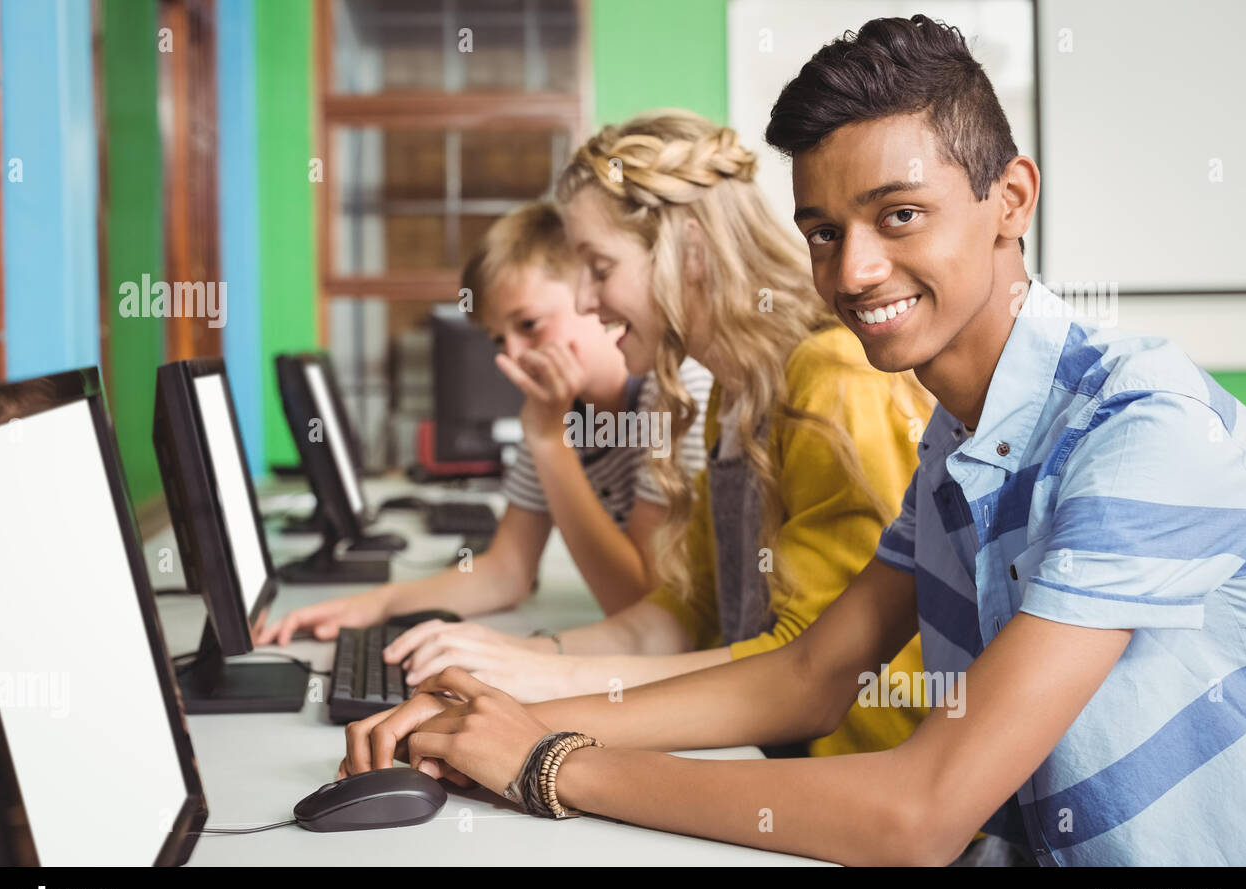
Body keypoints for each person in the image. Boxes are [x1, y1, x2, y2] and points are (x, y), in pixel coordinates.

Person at [335, 15, 1246, 866]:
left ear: (1011, 198)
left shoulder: (1145, 430)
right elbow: (811, 674)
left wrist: (547, 761)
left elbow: (922, 811)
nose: (854, 270)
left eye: (900, 214)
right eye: (824, 231)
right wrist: (503, 718)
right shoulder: (962, 434)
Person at [379, 108, 934, 760]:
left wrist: (550, 689)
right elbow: (677, 617)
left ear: (689, 251)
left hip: (855, 791)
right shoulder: (734, 390)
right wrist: (518, 659)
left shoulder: (832, 380)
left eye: (599, 267)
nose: (585, 302)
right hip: (771, 762)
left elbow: (808, 667)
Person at [258, 201, 712, 642]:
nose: (511, 354)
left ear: (591, 296)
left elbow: (639, 601)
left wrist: (550, 442)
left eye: (529, 324)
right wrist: (376, 605)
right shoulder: (556, 410)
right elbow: (507, 571)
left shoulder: (675, 395)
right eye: (498, 338)